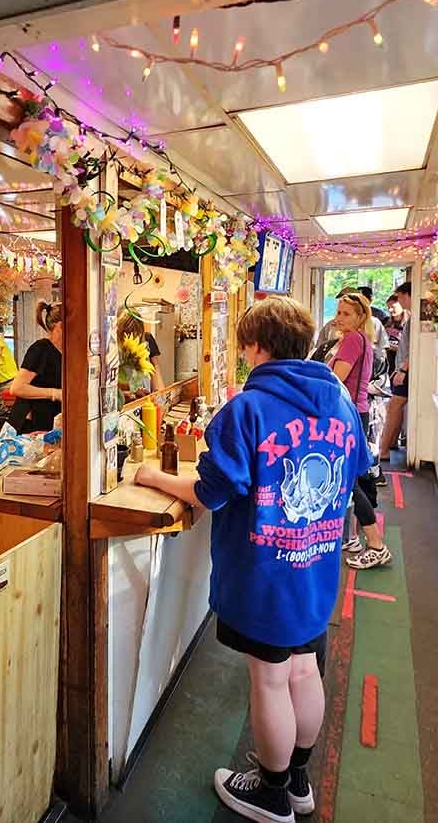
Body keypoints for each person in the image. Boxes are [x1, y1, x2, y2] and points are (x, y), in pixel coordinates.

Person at [134, 297, 370, 823]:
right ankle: (298, 781)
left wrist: (154, 478)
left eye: (244, 344)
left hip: (265, 575)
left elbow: (211, 492)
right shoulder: (340, 402)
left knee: (268, 679)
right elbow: (357, 470)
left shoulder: (248, 408)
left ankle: (269, 792)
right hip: (316, 568)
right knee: (305, 671)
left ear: (257, 345)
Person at [326, 292, 391, 569]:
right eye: (338, 312)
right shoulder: (361, 339)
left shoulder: (352, 340)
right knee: (351, 478)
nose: (339, 318)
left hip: (348, 415)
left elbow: (334, 380)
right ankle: (352, 537)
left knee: (349, 481)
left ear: (361, 317)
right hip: (357, 412)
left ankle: (376, 545)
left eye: (346, 314)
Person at [8, 301, 62, 432]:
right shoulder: (41, 348)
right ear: (60, 326)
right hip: (30, 424)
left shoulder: (67, 352)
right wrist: (55, 393)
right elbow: (16, 388)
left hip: (50, 420)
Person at [380, 281, 412, 460]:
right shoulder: (408, 318)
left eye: (400, 298)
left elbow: (414, 349)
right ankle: (390, 444)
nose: (399, 302)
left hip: (403, 370)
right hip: (399, 368)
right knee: (396, 406)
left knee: (394, 405)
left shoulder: (412, 319)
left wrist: (403, 369)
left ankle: (383, 450)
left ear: (407, 296)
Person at [116, 310, 165, 396]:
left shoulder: (148, 340)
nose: (134, 337)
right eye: (128, 333)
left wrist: (160, 395)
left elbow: (155, 368)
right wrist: (131, 392)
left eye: (137, 333)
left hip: (145, 398)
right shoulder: (114, 350)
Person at [357, 286, 389, 357]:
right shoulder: (346, 319)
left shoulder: (378, 317)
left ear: (370, 300)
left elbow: (383, 346)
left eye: (363, 299)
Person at [384, 292, 410, 379]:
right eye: (388, 308)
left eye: (393, 307)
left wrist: (393, 347)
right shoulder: (386, 322)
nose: (390, 310)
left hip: (402, 363)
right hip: (389, 362)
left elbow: (408, 348)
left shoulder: (408, 323)